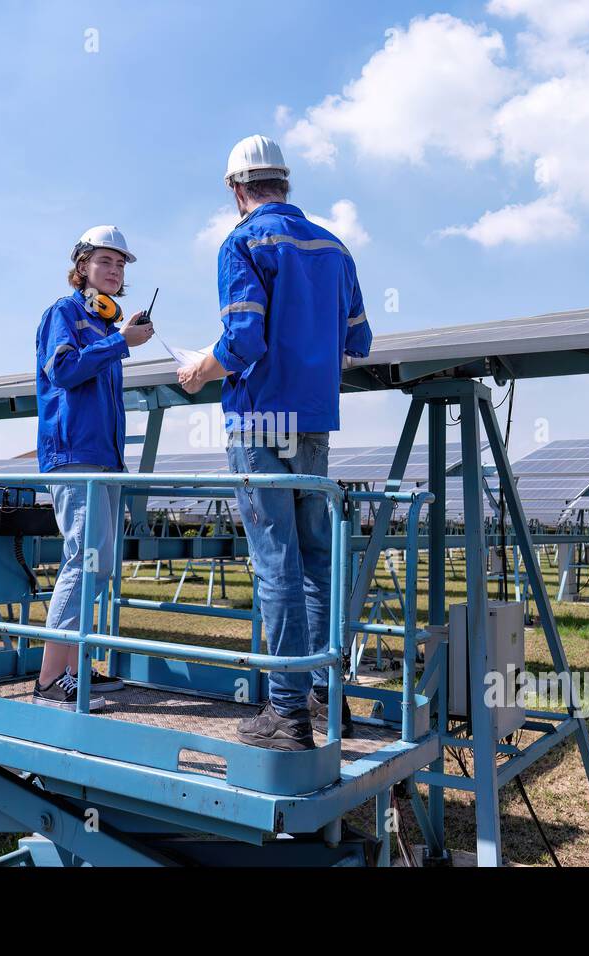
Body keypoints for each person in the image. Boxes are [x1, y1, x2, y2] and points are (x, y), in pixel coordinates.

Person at [178, 135, 372, 750]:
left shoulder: (242, 242)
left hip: (260, 420)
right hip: (313, 422)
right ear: (284, 184)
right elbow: (359, 342)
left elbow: (244, 340)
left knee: (276, 564)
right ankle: (321, 694)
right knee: (317, 561)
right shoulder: (335, 247)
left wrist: (199, 370)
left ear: (237, 191)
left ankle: (285, 715)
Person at [33, 225, 154, 710]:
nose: (114, 270)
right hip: (73, 453)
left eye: (121, 264)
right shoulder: (63, 313)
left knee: (99, 565)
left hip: (105, 458)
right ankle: (48, 680)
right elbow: (61, 371)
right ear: (82, 265)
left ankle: (75, 667)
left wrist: (117, 339)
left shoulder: (106, 328)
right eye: (105, 261)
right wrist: (120, 342)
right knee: (83, 558)